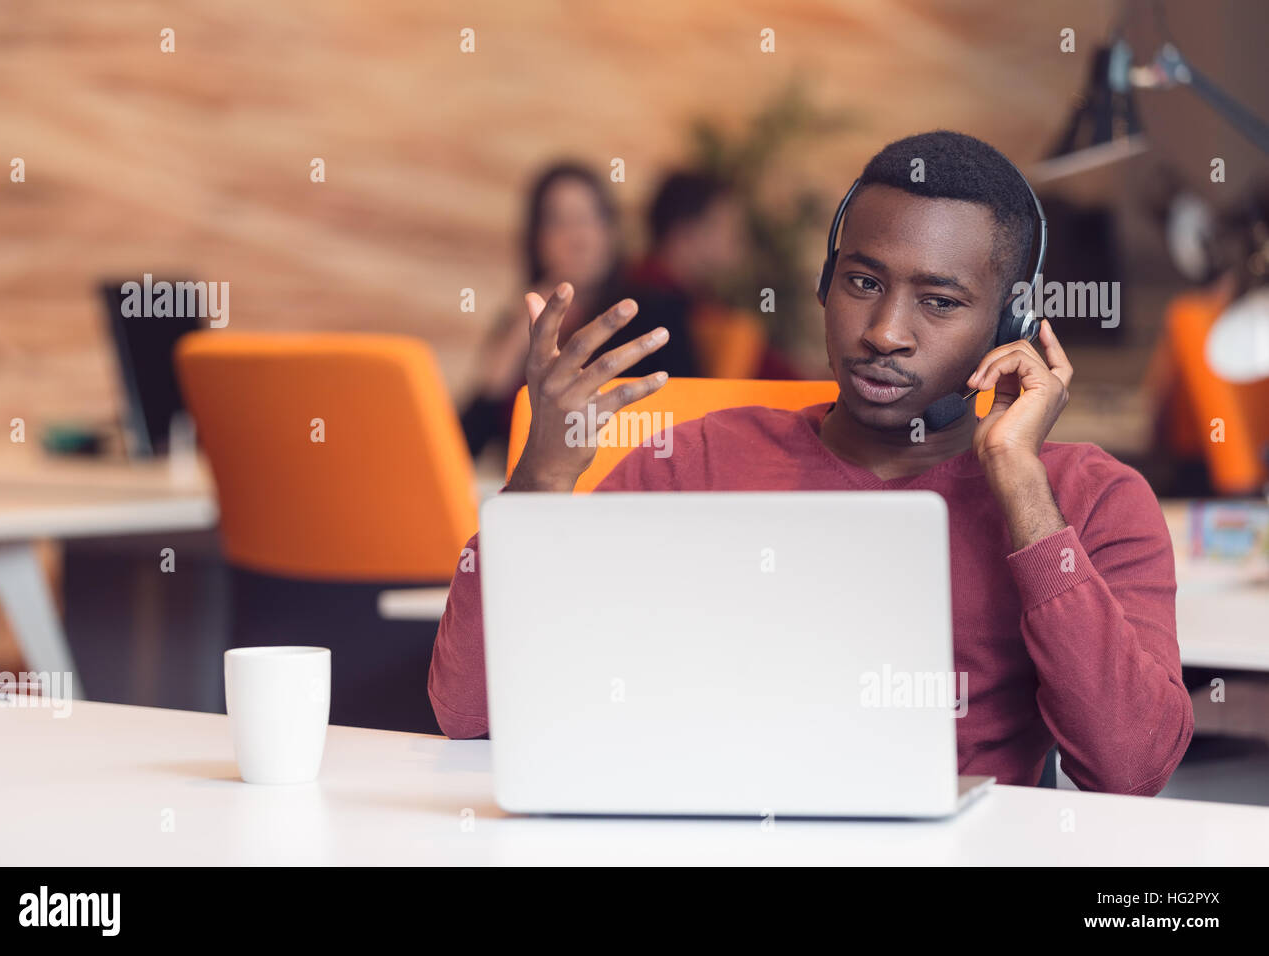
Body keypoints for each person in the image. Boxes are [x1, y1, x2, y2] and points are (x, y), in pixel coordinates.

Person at [430, 130, 1193, 795]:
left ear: (1013, 321)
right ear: (827, 284)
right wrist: (538, 483)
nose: (885, 332)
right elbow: (468, 712)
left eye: (940, 302)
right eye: (863, 283)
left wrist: (1022, 486)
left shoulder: (1090, 499)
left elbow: (1130, 767)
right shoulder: (696, 461)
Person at [459, 161, 698, 462]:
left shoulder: (649, 312)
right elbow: (464, 446)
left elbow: (680, 428)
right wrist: (517, 337)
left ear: (611, 231)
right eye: (559, 222)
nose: (578, 237)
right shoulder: (523, 319)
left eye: (590, 218)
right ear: (537, 240)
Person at [629, 170, 803, 379]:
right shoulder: (650, 308)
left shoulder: (700, 304)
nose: (740, 242)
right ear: (686, 233)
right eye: (731, 230)